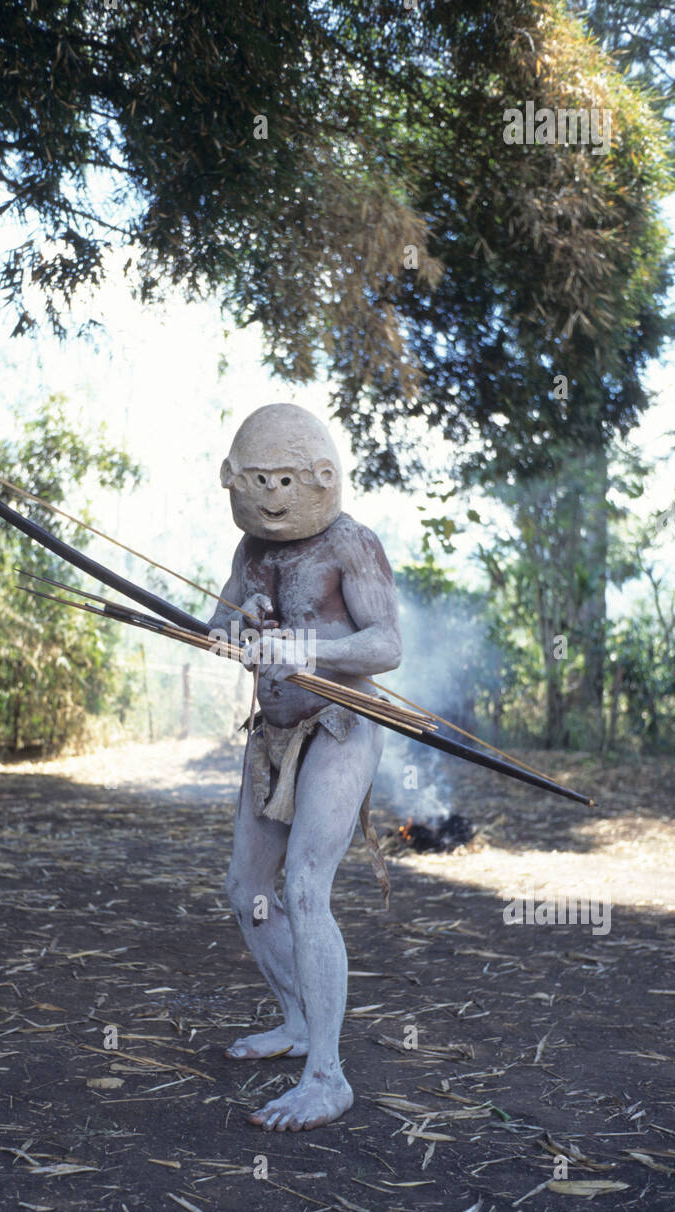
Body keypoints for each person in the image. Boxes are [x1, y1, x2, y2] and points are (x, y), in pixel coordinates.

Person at [208, 403, 402, 1131]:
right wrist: (240, 624)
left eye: (288, 480)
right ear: (235, 482)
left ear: (321, 477)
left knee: (306, 887)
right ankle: (296, 1022)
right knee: (246, 888)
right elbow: (216, 631)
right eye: (260, 481)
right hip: (274, 733)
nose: (275, 496)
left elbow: (385, 644)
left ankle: (328, 1076)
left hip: (343, 726)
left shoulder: (351, 544)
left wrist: (309, 651)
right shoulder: (251, 551)